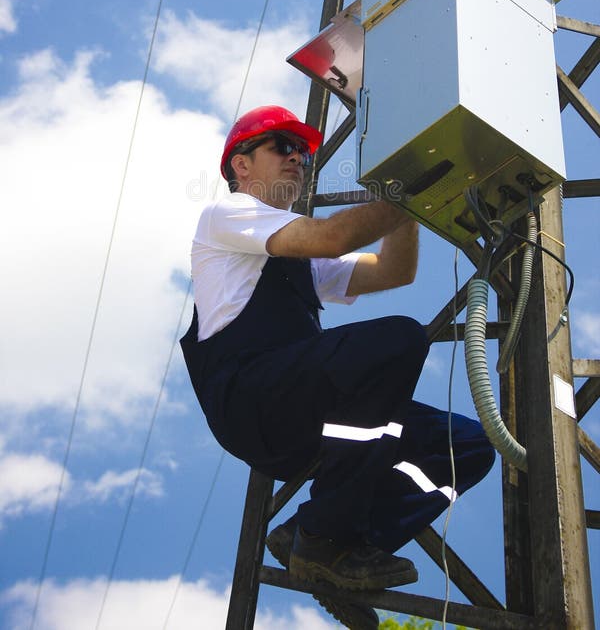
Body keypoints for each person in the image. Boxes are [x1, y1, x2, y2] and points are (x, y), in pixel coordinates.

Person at [181, 105, 495, 630]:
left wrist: (404, 207)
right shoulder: (226, 215)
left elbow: (395, 270)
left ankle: (327, 540)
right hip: (250, 401)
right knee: (396, 340)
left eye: (303, 152)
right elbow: (334, 237)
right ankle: (325, 535)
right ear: (240, 165)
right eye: (282, 146)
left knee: (466, 449)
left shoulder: (297, 257)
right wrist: (405, 189)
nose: (298, 159)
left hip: (302, 412)